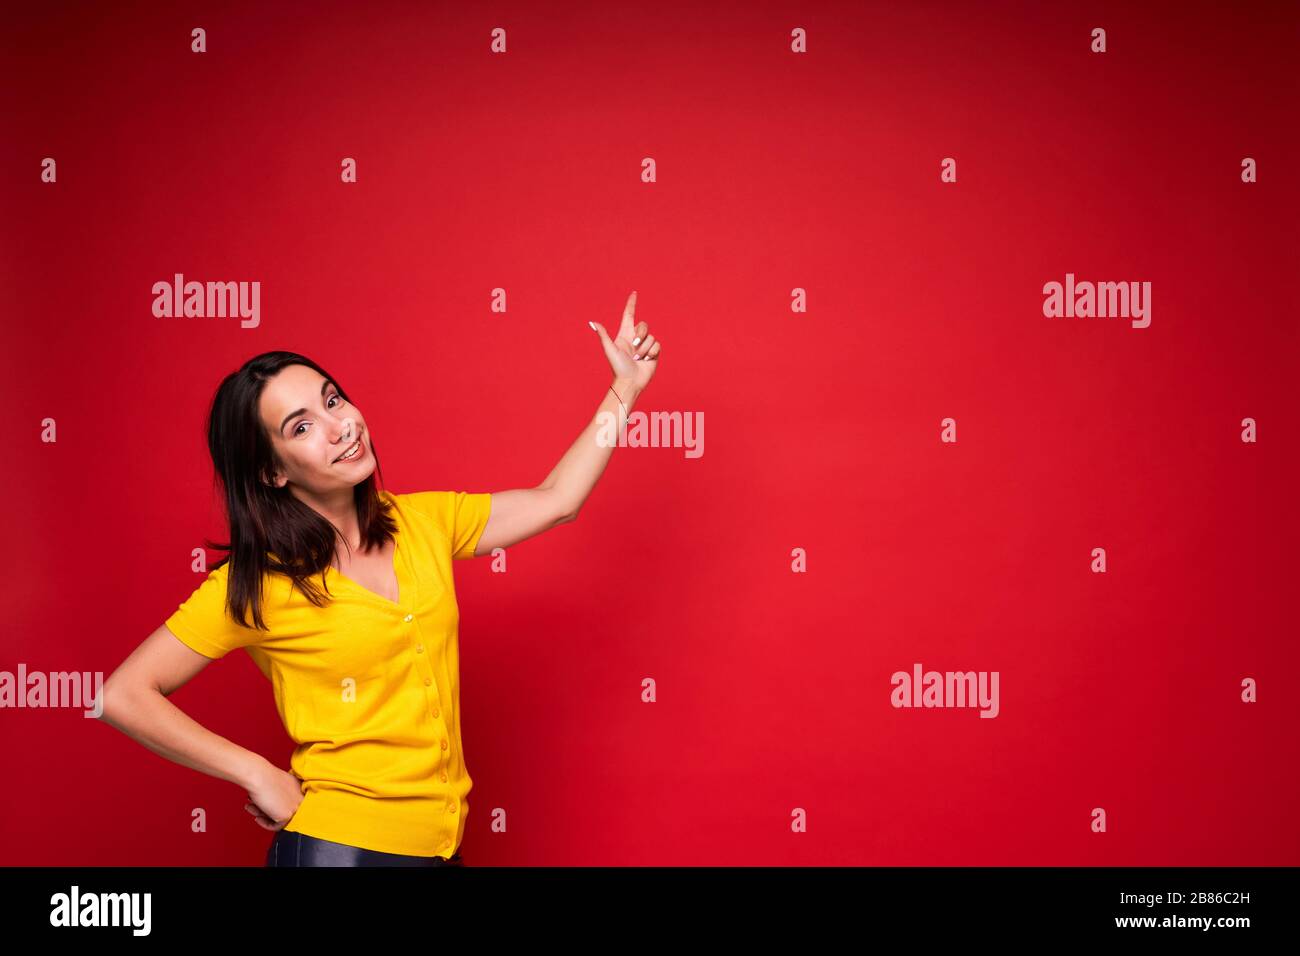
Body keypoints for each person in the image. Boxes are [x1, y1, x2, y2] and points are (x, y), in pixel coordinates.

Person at [99, 292, 660, 866]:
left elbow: (557, 500)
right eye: (302, 427)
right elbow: (123, 696)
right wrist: (254, 772)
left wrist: (626, 389)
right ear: (271, 470)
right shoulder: (257, 582)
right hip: (340, 851)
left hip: (440, 849)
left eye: (333, 400)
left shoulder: (423, 522)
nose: (340, 426)